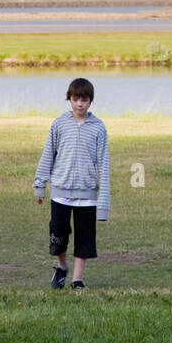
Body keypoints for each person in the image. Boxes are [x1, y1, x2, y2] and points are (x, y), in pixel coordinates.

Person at [33, 77, 109, 290]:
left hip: (87, 196)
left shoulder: (98, 128)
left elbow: (104, 164)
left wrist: (103, 205)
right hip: (60, 192)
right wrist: (40, 185)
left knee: (84, 240)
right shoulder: (59, 124)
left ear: (90, 102)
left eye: (84, 100)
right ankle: (62, 266)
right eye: (75, 99)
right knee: (58, 235)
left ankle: (77, 279)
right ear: (69, 99)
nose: (79, 104)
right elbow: (48, 155)